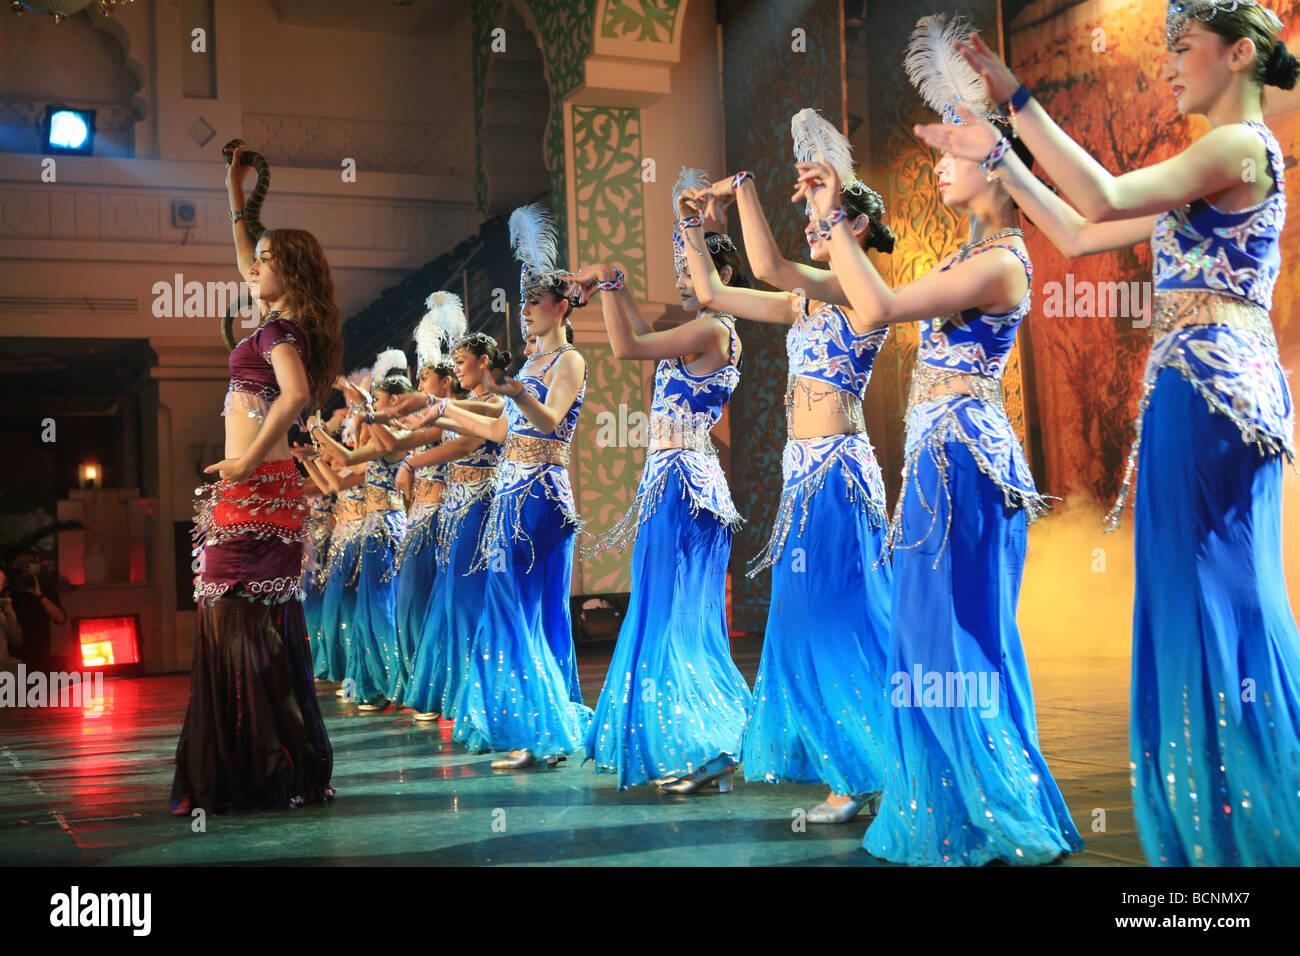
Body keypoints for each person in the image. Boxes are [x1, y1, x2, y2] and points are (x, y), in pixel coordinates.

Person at [918, 0, 1300, 865]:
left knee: (1227, 597)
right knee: (1190, 597)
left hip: (1216, 397)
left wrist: (1014, 100)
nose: (1168, 65)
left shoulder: (1241, 146)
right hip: (1189, 393)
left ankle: (1268, 818)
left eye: (1183, 48)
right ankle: (1228, 838)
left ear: (1240, 55)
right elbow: (1082, 229)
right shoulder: (1208, 170)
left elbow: (1104, 193)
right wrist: (1003, 163)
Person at [805, 13, 1084, 863]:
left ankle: (992, 805)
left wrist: (833, 221)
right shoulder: (970, 257)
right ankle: (965, 805)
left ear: (993, 162)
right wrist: (830, 226)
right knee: (930, 637)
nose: (937, 160)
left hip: (963, 460)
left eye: (951, 148)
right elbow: (871, 304)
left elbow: (878, 309)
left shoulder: (1001, 262)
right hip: (940, 458)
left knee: (952, 636)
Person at [568, 168, 753, 792]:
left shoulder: (714, 328)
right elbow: (634, 341)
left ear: (722, 276)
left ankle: (709, 747)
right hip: (672, 479)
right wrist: (612, 284)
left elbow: (630, 348)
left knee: (677, 616)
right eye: (678, 264)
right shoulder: (696, 332)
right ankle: (699, 745)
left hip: (684, 483)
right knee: (668, 612)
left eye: (691, 263)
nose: (681, 275)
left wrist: (614, 282)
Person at [172, 210, 342, 812]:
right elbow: (246, 255)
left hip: (257, 494)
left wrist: (245, 463)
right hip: (253, 496)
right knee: (245, 628)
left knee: (239, 628)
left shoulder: (279, 335)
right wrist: (235, 191)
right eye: (257, 259)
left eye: (267, 261)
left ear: (289, 269)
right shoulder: (276, 326)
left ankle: (270, 768)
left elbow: (294, 395)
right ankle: (275, 767)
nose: (253, 268)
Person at [434, 203, 591, 768]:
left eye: (532, 303)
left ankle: (538, 731)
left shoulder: (568, 361)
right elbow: (501, 429)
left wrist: (515, 390)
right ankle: (537, 726)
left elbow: (548, 421)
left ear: (561, 305)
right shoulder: (528, 370)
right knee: (516, 605)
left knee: (525, 606)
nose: (523, 314)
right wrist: (445, 413)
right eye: (522, 304)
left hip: (542, 495)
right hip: (511, 492)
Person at [8, 551, 67, 672]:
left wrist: (39, 595)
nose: (25, 568)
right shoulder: (8, 591)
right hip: (12, 658)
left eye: (29, 564)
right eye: (21, 564)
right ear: (13, 566)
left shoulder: (44, 589)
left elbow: (60, 619)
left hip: (39, 657)